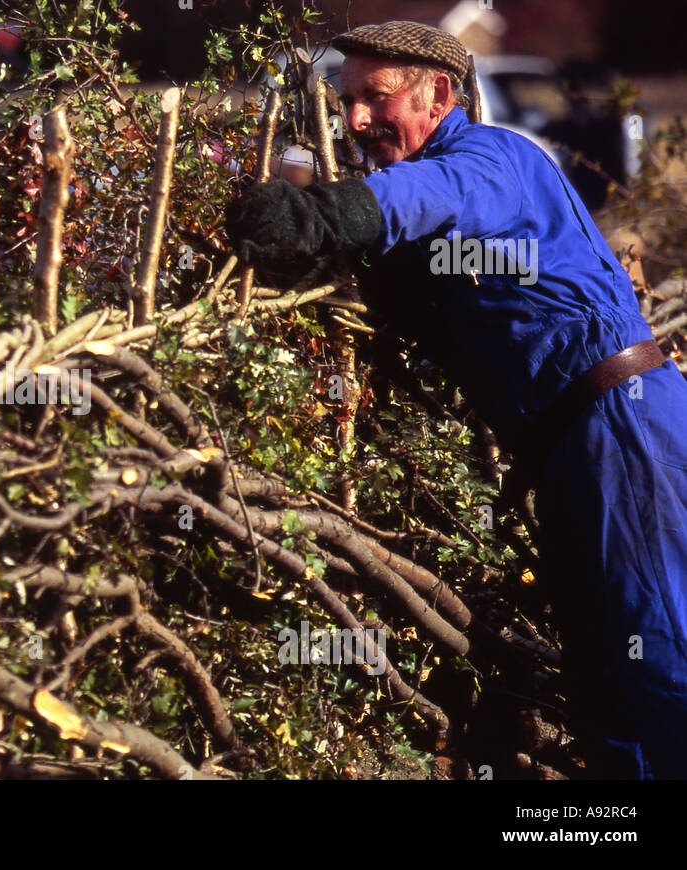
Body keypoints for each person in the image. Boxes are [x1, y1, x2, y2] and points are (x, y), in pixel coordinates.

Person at [225, 20, 687, 778]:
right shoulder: (447, 217)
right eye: (346, 103)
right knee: (610, 692)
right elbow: (423, 245)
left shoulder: (489, 160)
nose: (356, 121)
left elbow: (422, 196)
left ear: (440, 93)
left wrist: (320, 217)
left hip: (624, 434)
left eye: (374, 98)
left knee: (663, 661)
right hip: (575, 452)